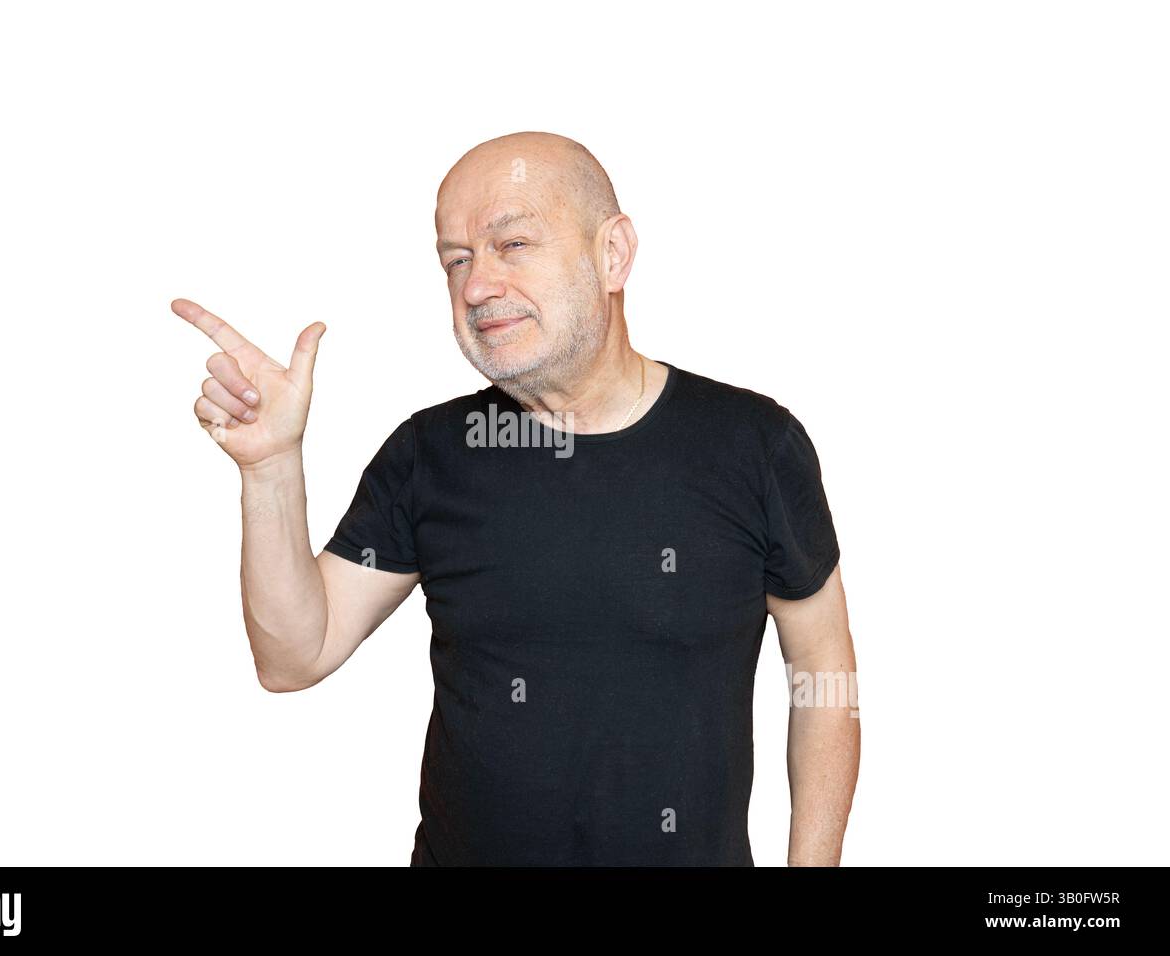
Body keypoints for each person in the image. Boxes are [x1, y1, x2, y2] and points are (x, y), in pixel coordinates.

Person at [172, 130, 860, 866]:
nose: (475, 286)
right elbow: (293, 656)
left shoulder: (754, 445)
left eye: (513, 244)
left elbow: (824, 673)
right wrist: (271, 467)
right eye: (456, 260)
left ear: (613, 254)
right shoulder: (428, 455)